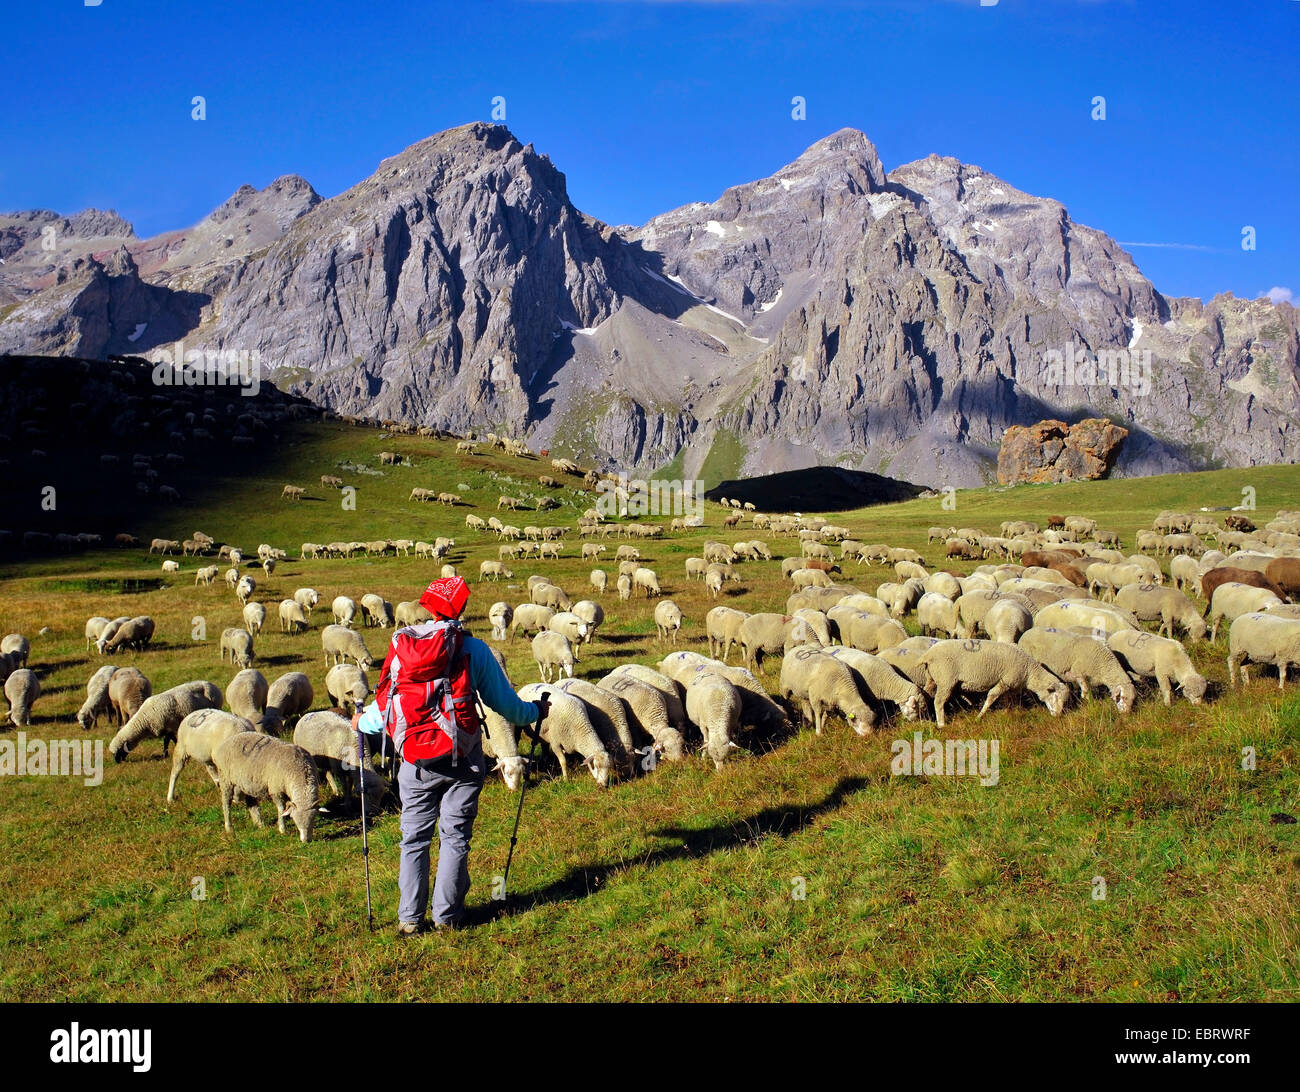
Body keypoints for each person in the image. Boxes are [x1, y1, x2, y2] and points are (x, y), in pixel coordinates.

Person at [355, 575, 548, 935]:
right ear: (461, 607)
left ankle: (410, 920)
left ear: (427, 606)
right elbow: (505, 706)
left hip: (414, 761)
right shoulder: (473, 650)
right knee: (455, 836)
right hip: (462, 759)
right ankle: (448, 917)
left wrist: (360, 722)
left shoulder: (401, 646)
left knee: (413, 837)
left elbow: (383, 707)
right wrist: (536, 712)